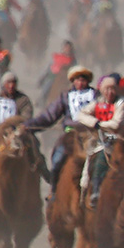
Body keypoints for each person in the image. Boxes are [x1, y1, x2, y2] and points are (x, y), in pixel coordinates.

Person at [26, 65, 97, 194]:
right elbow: (49, 116)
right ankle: (54, 191)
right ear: (73, 81)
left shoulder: (96, 96)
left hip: (92, 135)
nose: (80, 83)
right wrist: (29, 126)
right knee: (58, 158)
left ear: (88, 81)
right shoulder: (65, 96)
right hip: (71, 135)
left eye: (83, 80)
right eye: (77, 79)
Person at [75, 74, 124, 206]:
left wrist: (99, 125)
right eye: (107, 89)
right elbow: (81, 115)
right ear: (102, 90)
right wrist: (93, 122)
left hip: (120, 141)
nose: (109, 92)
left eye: (112, 89)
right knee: (89, 162)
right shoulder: (98, 103)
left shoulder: (122, 104)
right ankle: (88, 192)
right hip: (100, 141)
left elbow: (116, 123)